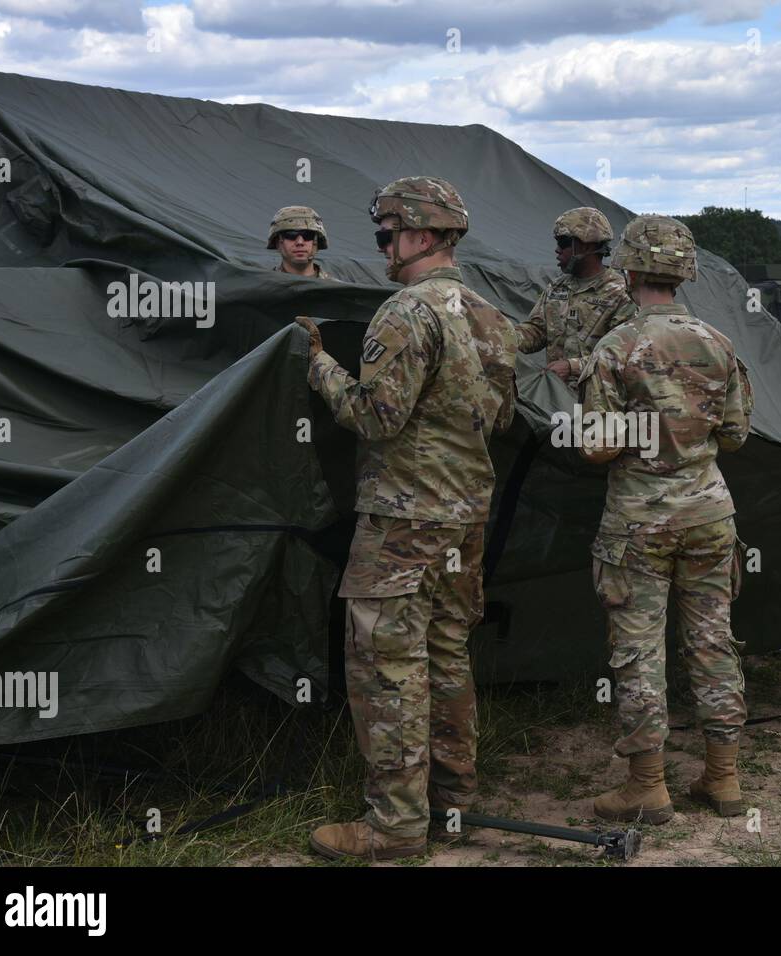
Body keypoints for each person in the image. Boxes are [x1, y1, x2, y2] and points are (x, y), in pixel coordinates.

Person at [298, 177, 517, 859]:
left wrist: (321, 369)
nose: (383, 248)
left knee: (387, 666)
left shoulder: (403, 313)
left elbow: (376, 416)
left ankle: (393, 827)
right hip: (465, 515)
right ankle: (453, 805)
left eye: (385, 235)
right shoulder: (490, 315)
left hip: (403, 519)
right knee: (448, 655)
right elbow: (504, 417)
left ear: (420, 235)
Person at [578, 215, 753, 823]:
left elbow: (597, 445)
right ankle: (724, 778)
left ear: (627, 271)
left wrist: (640, 424)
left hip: (639, 520)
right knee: (712, 640)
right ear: (685, 273)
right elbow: (733, 436)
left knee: (639, 650)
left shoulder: (615, 347)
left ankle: (647, 786)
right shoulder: (718, 341)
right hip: (710, 514)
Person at [515, 207, 635, 383]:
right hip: (555, 396)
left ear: (586, 245)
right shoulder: (557, 288)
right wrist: (504, 336)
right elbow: (537, 331)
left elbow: (625, 356)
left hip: (598, 399)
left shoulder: (621, 294)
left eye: (563, 243)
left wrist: (572, 367)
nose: (557, 250)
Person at [267, 205, 338, 279]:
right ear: (278, 243)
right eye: (291, 235)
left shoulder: (335, 288)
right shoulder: (264, 286)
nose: (300, 242)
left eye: (307, 235)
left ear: (316, 242)